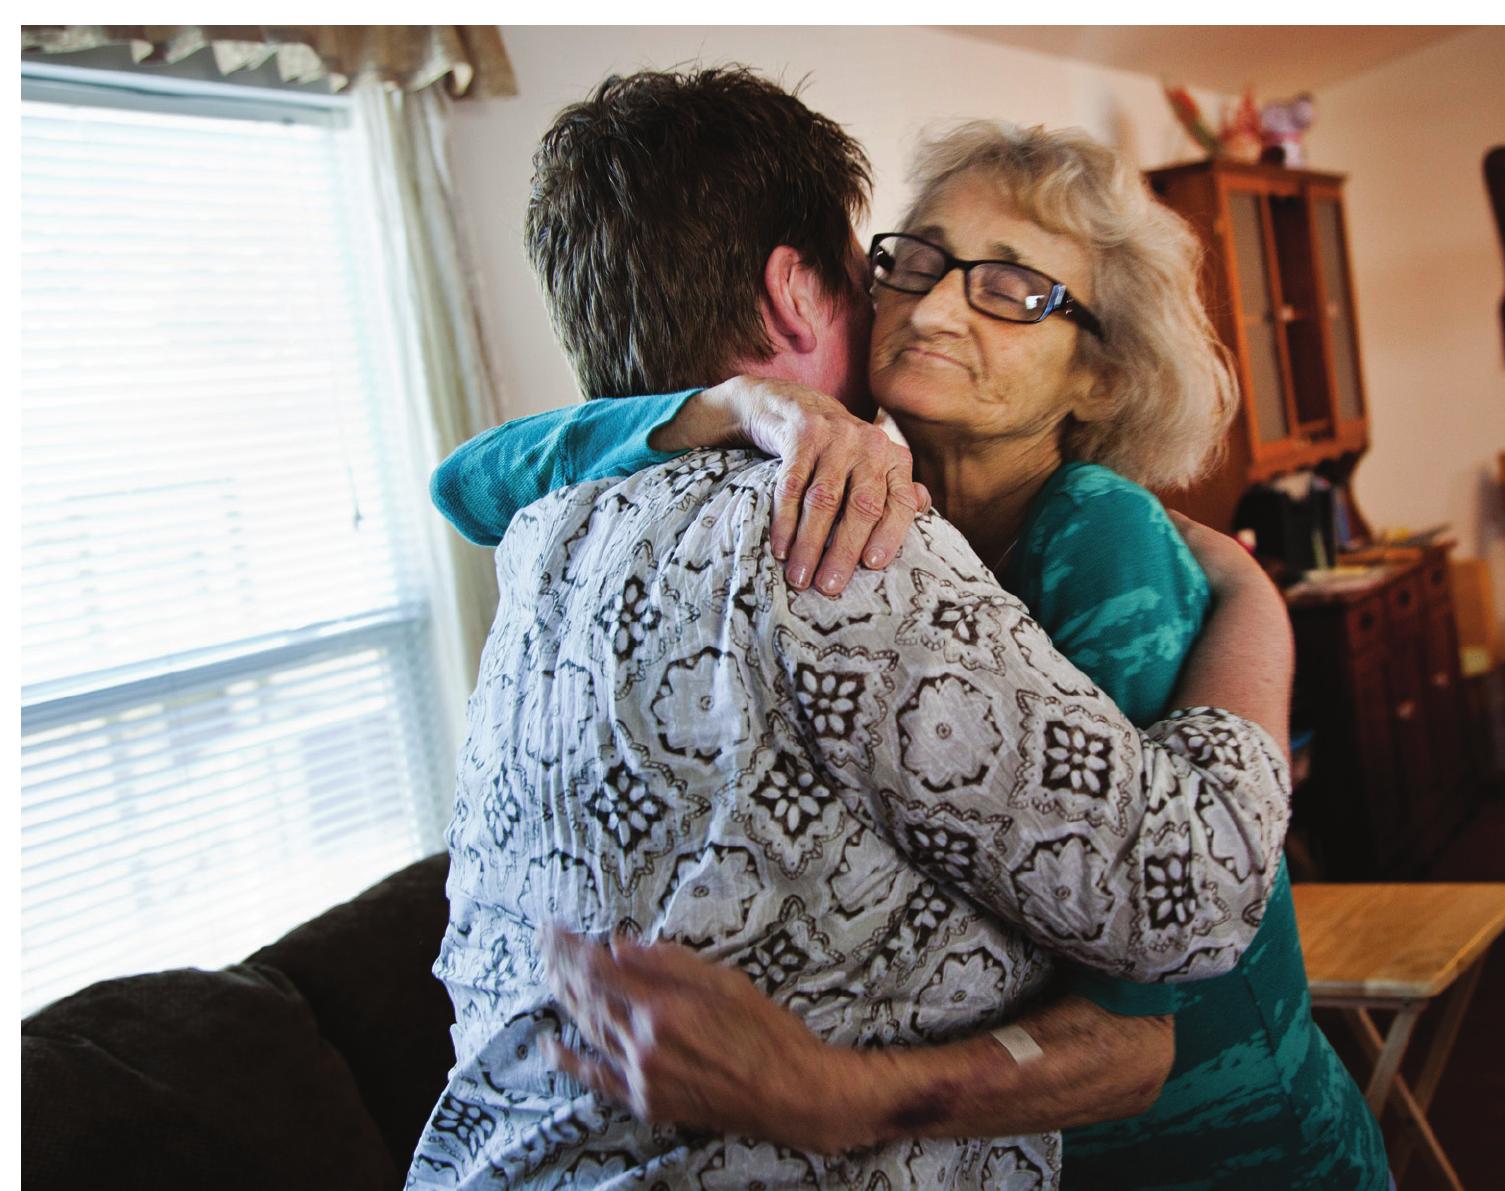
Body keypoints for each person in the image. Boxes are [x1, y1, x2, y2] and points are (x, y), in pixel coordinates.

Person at [433, 112, 1387, 1190]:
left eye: (1014, 288)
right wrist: (735, 401)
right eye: (917, 260)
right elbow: (466, 481)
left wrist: (831, 1096)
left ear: (1100, 379)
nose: (932, 306)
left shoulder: (1093, 532)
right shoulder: (875, 510)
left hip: (1222, 1155)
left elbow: (1140, 1028)